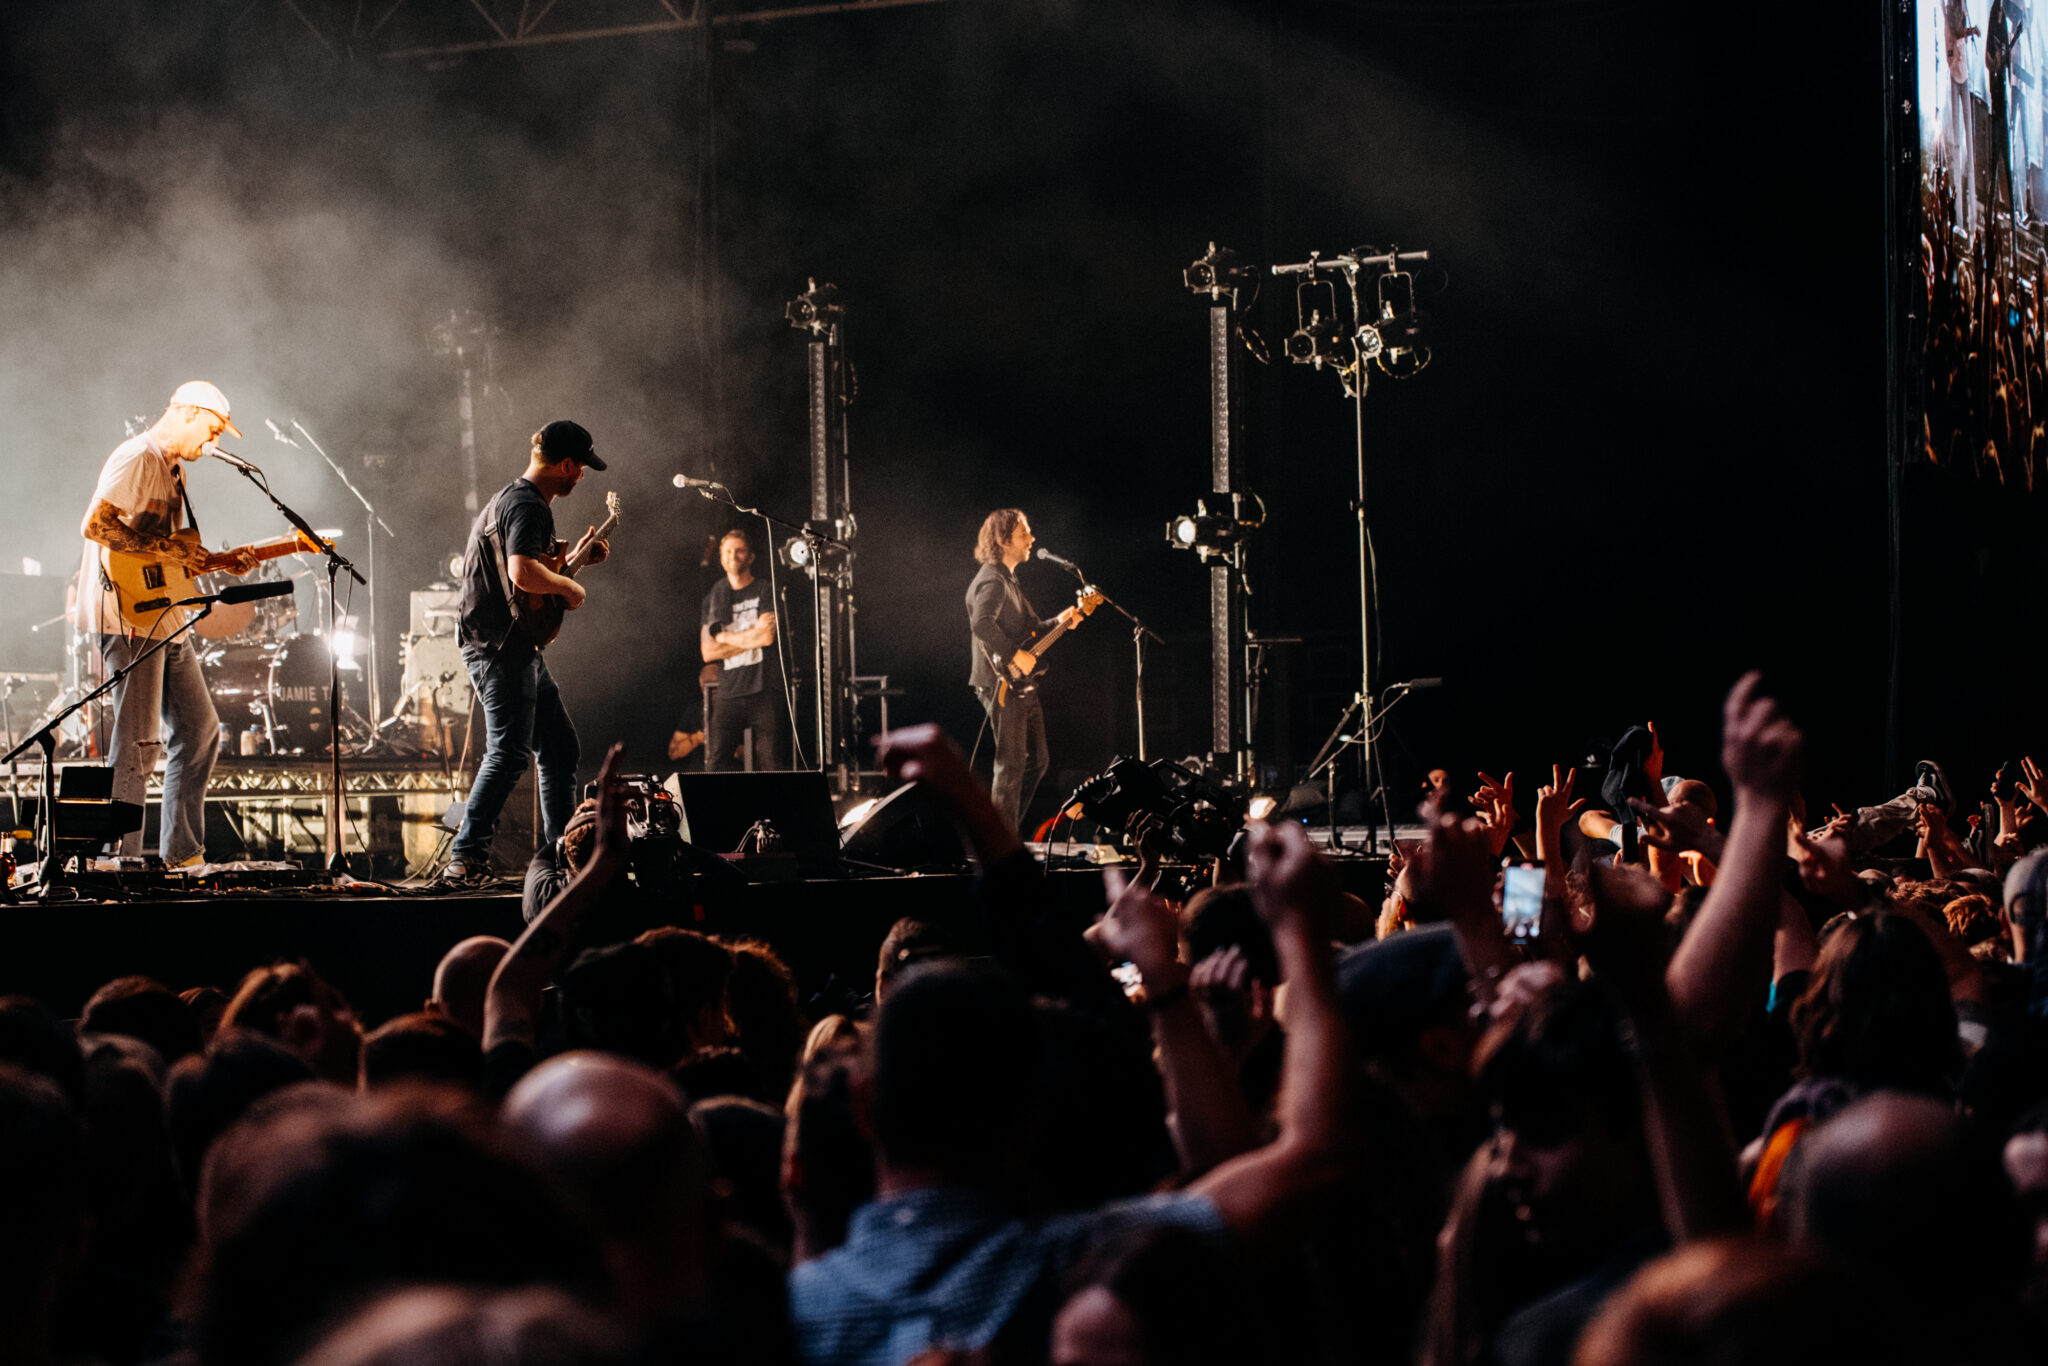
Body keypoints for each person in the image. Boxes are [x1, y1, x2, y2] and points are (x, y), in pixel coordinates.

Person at [77, 380, 259, 865]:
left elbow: (172, 558)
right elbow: (95, 525)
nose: (214, 442)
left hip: (166, 615)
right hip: (130, 616)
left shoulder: (173, 469)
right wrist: (163, 550)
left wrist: (220, 561)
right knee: (138, 743)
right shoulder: (138, 456)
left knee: (200, 730)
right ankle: (119, 860)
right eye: (213, 428)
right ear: (187, 412)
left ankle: (182, 854)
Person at [443, 420, 610, 882]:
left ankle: (562, 857)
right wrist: (571, 587)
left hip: (514, 646)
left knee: (558, 748)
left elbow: (532, 572)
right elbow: (522, 573)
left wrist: (573, 561)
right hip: (499, 648)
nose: (581, 477)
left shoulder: (515, 499)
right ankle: (465, 857)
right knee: (510, 752)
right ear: (565, 464)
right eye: (580, 469)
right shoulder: (527, 505)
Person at [965, 509, 1079, 834]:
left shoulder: (1008, 580)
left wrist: (1060, 622)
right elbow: (981, 624)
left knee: (1037, 761)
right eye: (1024, 533)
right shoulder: (992, 581)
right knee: (1011, 764)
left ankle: (1005, 829)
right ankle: (1001, 842)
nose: (1032, 539)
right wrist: (1014, 653)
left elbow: (1030, 631)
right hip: (1001, 684)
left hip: (1022, 684)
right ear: (1003, 540)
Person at [700, 529, 786, 771]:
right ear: (720, 557)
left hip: (764, 691)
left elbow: (767, 637)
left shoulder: (764, 589)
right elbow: (708, 652)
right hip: (729, 693)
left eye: (739, 551)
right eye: (727, 551)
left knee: (771, 764)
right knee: (716, 764)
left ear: (750, 557)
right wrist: (752, 636)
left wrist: (725, 637)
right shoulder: (715, 595)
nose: (732, 556)